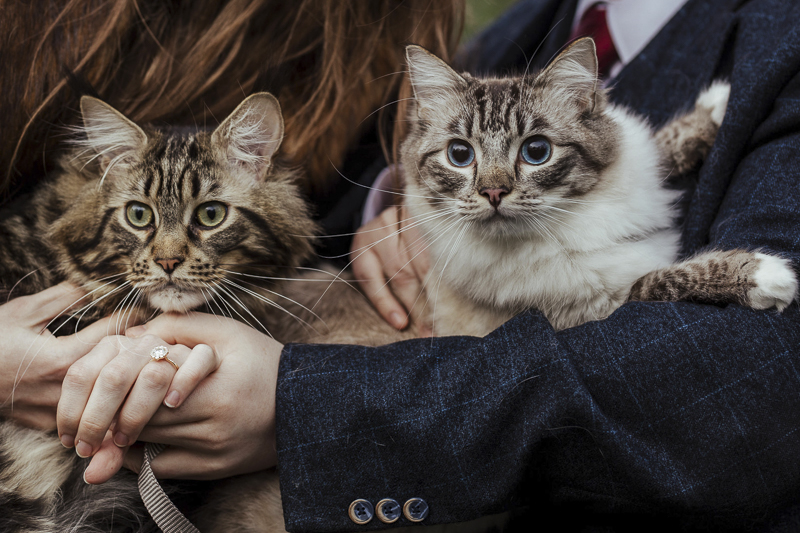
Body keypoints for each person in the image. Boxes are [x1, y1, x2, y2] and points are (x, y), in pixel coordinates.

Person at [10, 0, 800, 532]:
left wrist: (298, 406)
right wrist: (403, 201)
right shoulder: (504, 31)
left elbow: (751, 383)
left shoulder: (777, 35)